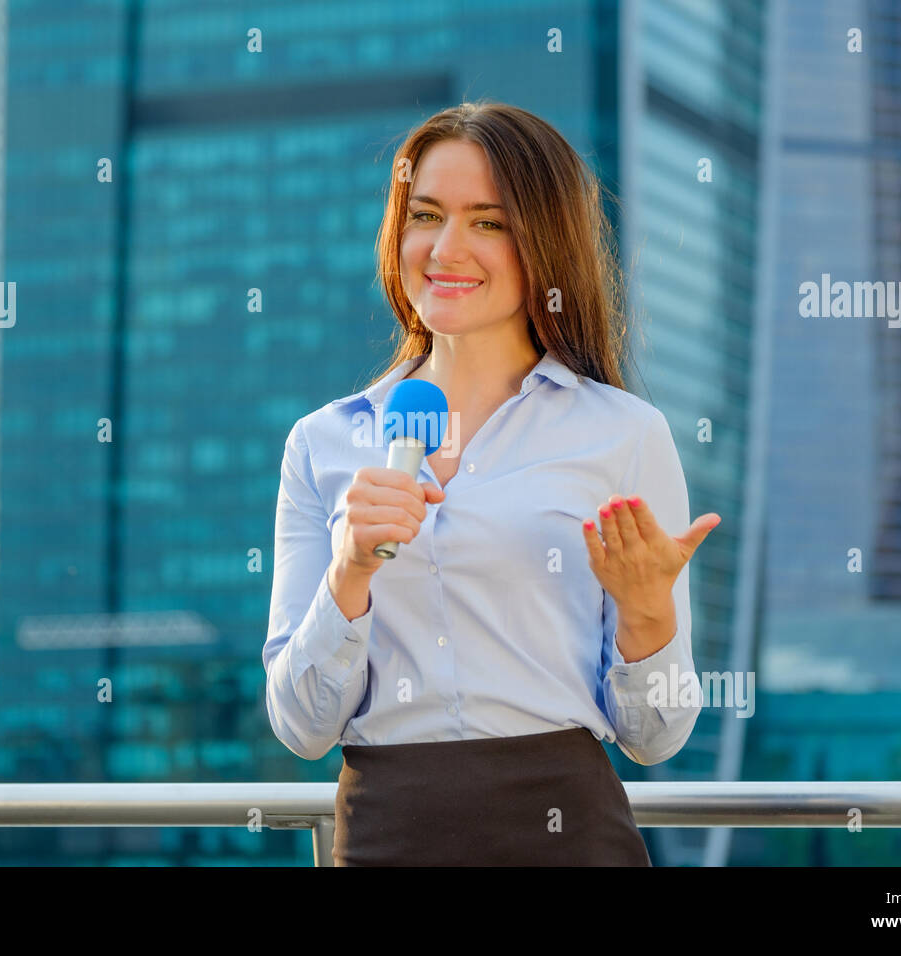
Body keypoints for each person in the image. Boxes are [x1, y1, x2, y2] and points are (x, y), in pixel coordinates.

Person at [262, 101, 721, 866]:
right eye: (426, 215)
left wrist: (647, 617)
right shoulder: (323, 443)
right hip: (385, 839)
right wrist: (348, 574)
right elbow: (301, 726)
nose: (445, 248)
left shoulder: (623, 434)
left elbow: (656, 736)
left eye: (489, 222)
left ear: (545, 242)